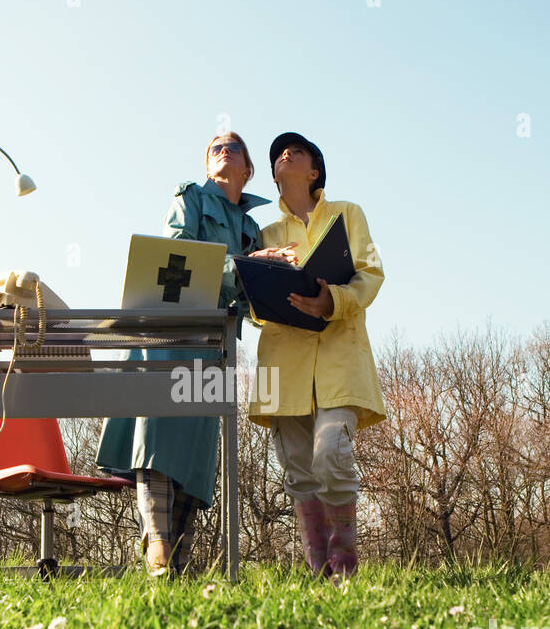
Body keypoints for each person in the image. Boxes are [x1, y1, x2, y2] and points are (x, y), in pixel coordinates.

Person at [96, 132, 269, 574]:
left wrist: (272, 277)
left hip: (214, 345)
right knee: (158, 441)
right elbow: (179, 256)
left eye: (234, 147)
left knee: (194, 457)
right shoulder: (190, 199)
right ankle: (156, 546)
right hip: (171, 334)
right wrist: (245, 269)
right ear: (209, 166)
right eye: (215, 148)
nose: (224, 150)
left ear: (248, 170)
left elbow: (252, 304)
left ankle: (179, 565)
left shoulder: (252, 229)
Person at [246, 132, 387, 577]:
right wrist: (258, 268)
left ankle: (345, 562)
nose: (285, 154)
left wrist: (334, 301)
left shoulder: (348, 214)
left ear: (314, 172)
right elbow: (251, 308)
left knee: (331, 452)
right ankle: (318, 567)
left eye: (298, 151)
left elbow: (370, 273)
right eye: (278, 155)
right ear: (274, 176)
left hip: (340, 358)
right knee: (298, 471)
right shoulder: (263, 234)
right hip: (282, 366)